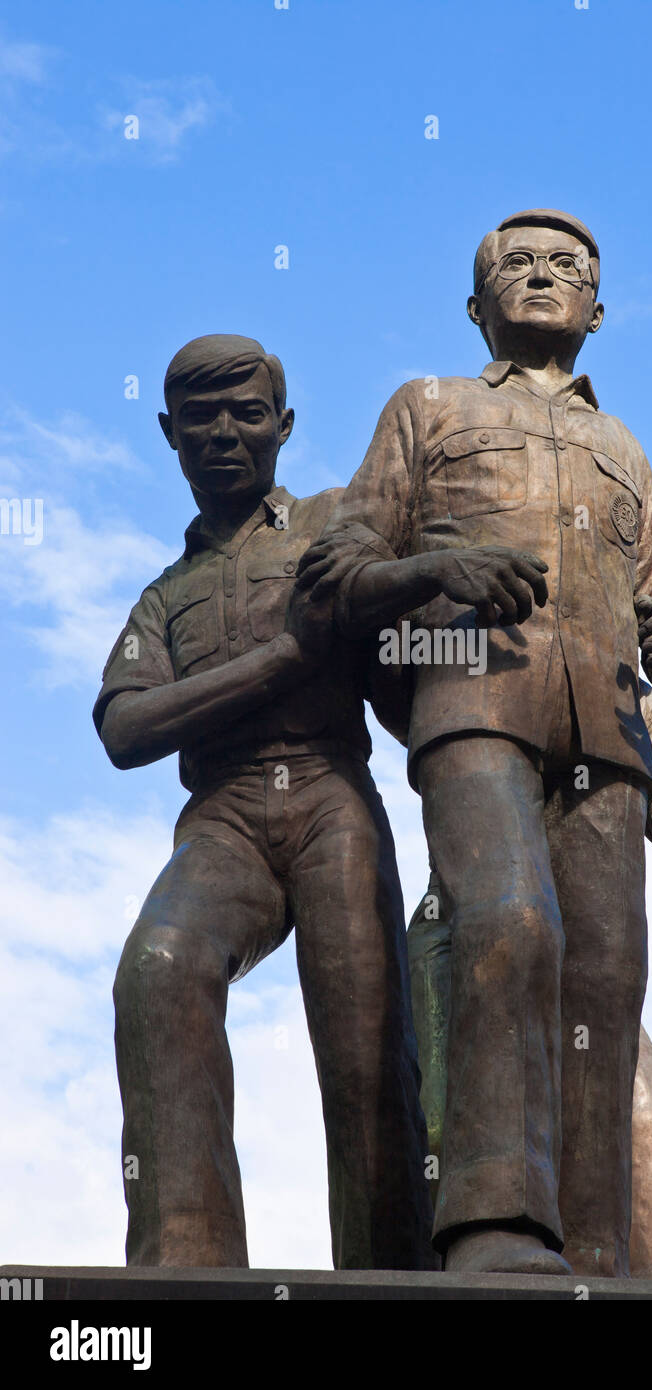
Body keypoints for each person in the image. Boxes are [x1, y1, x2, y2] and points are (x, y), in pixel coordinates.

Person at [293, 210, 652, 1274]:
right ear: (475, 306)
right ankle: (492, 1225)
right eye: (513, 265)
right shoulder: (423, 407)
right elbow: (335, 570)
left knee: (606, 977)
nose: (540, 276)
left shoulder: (626, 452)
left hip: (610, 745)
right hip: (473, 704)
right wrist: (434, 573)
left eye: (564, 267)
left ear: (597, 309)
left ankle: (597, 1253)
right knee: (509, 920)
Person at [94, 334, 434, 1270]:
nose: (224, 432)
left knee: (367, 1033)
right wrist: (286, 658)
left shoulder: (334, 525)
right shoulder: (164, 598)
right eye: (200, 416)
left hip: (331, 793)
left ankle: (391, 1272)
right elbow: (125, 729)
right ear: (169, 434)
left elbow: (405, 629)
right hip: (223, 820)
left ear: (284, 427)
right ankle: (185, 1259)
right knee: (158, 968)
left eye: (247, 411)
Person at [407, 513, 652, 1280]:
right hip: (476, 940)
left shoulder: (641, 704)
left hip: (587, 973)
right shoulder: (484, 646)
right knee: (456, 1118)